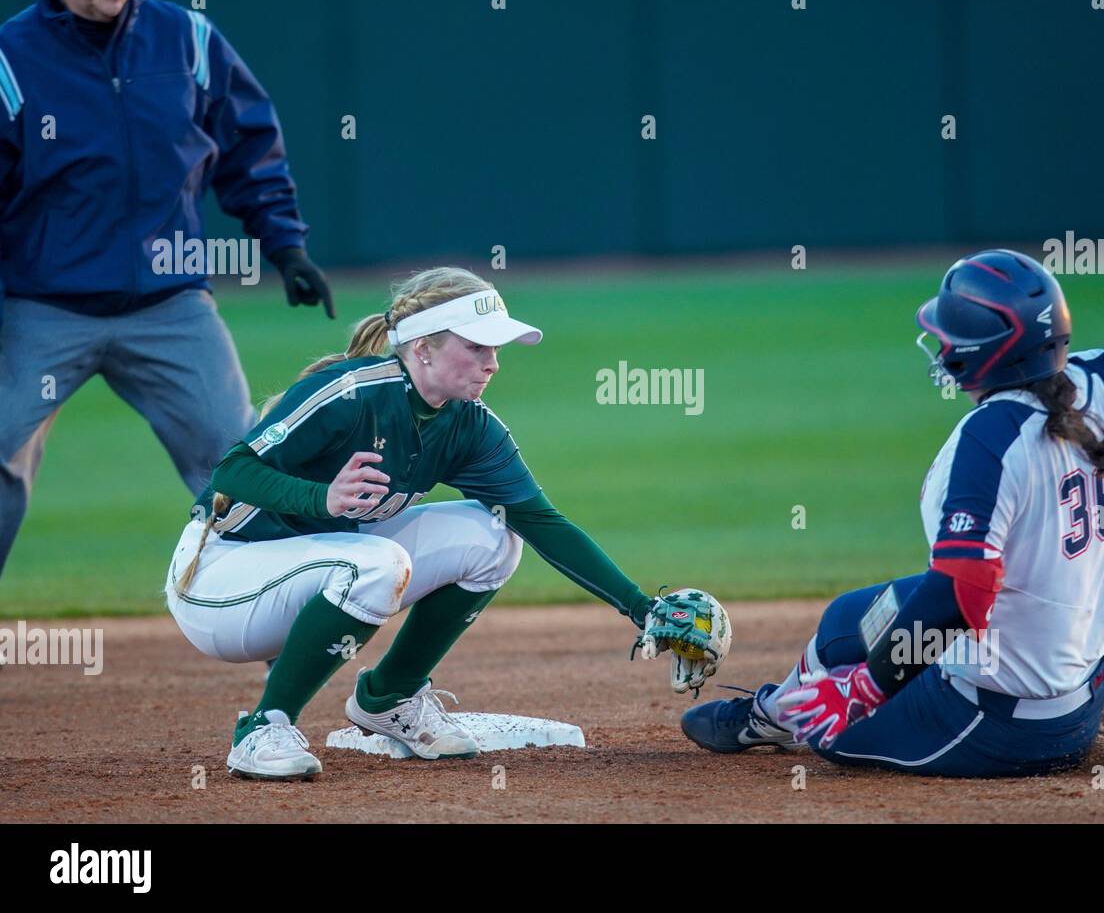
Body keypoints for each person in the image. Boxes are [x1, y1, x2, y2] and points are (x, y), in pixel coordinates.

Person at [681, 175, 1104, 777]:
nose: (942, 343)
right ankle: (769, 713)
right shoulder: (1101, 382)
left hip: (1004, 723)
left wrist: (863, 690)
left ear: (981, 353)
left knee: (828, 735)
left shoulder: (989, 441)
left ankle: (800, 720)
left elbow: (962, 595)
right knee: (848, 620)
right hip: (1079, 677)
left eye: (951, 333)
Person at [165, 268, 728, 780]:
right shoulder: (352, 393)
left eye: (497, 348)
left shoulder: (469, 427)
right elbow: (232, 470)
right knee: (378, 564)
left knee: (494, 537)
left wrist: (641, 610)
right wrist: (323, 496)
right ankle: (264, 726)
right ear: (423, 348)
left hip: (322, 559)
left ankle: (390, 698)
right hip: (223, 579)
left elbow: (541, 521)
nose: (492, 362)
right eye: (477, 345)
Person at [0, 0, 333, 575]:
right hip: (43, 306)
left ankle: (291, 645)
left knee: (244, 460)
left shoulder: (188, 39)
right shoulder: (11, 56)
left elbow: (250, 147)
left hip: (169, 304)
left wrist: (284, 245)